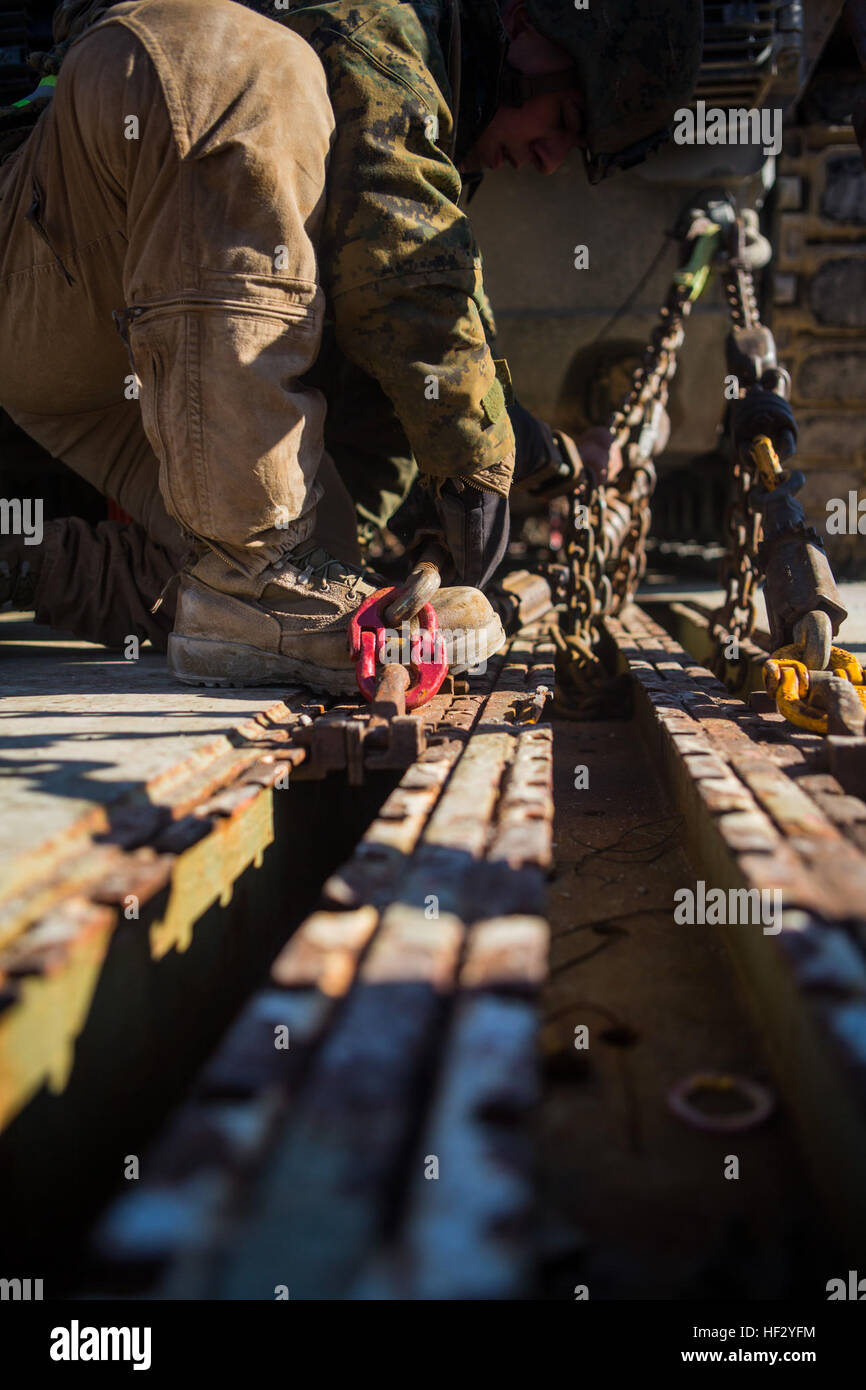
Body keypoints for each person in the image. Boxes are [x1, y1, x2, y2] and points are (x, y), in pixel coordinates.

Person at [0, 0, 703, 688]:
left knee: (300, 581)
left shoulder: (441, 116)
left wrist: (511, 441)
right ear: (522, 18)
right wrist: (475, 463)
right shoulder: (386, 24)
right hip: (46, 263)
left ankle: (30, 562)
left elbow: (433, 285)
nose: (552, 161)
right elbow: (399, 262)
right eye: (566, 116)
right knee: (244, 64)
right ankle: (255, 576)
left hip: (120, 364)